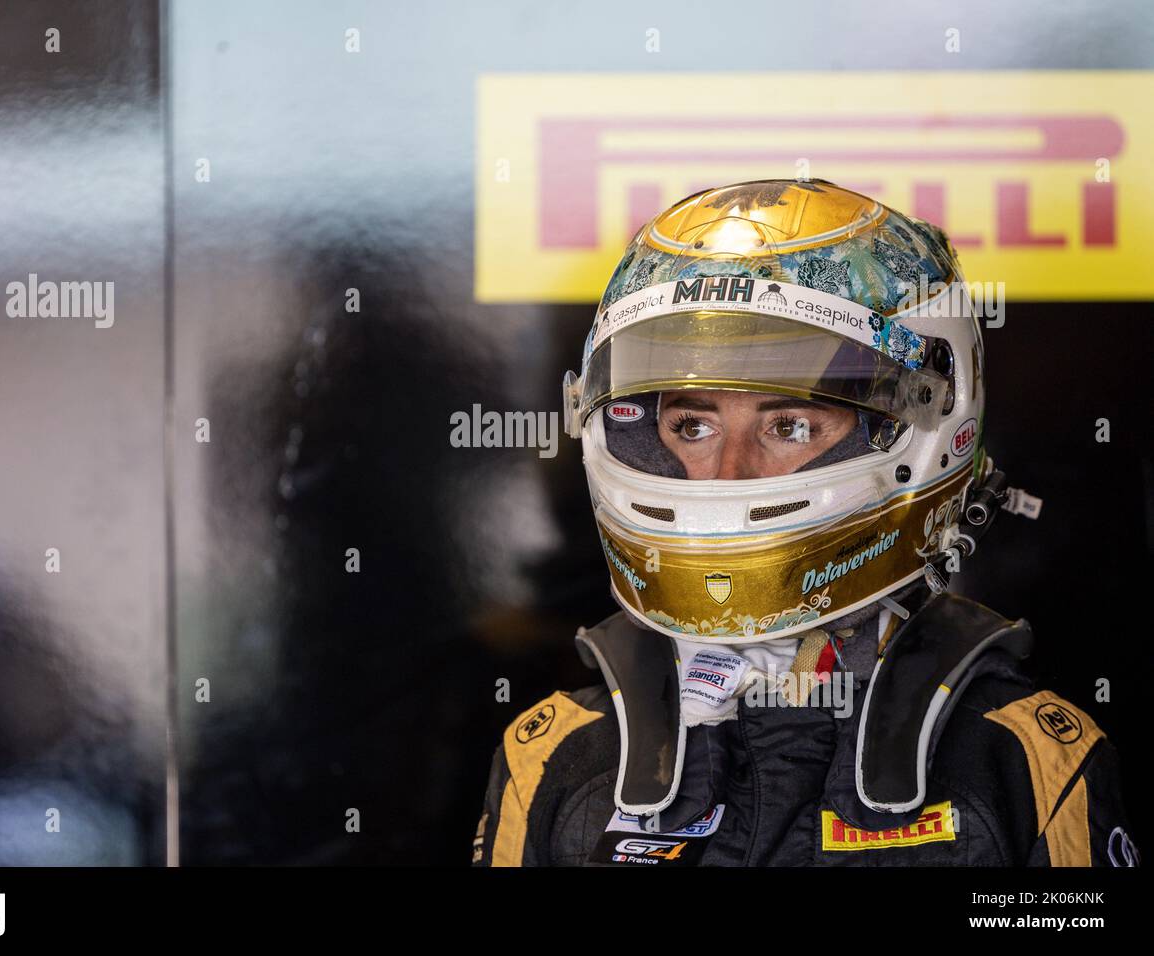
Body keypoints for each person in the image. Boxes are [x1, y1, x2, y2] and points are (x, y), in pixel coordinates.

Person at [471, 179, 1140, 867]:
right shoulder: (557, 758)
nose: (730, 473)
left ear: (933, 424)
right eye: (691, 425)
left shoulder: (1025, 762)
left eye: (790, 424)